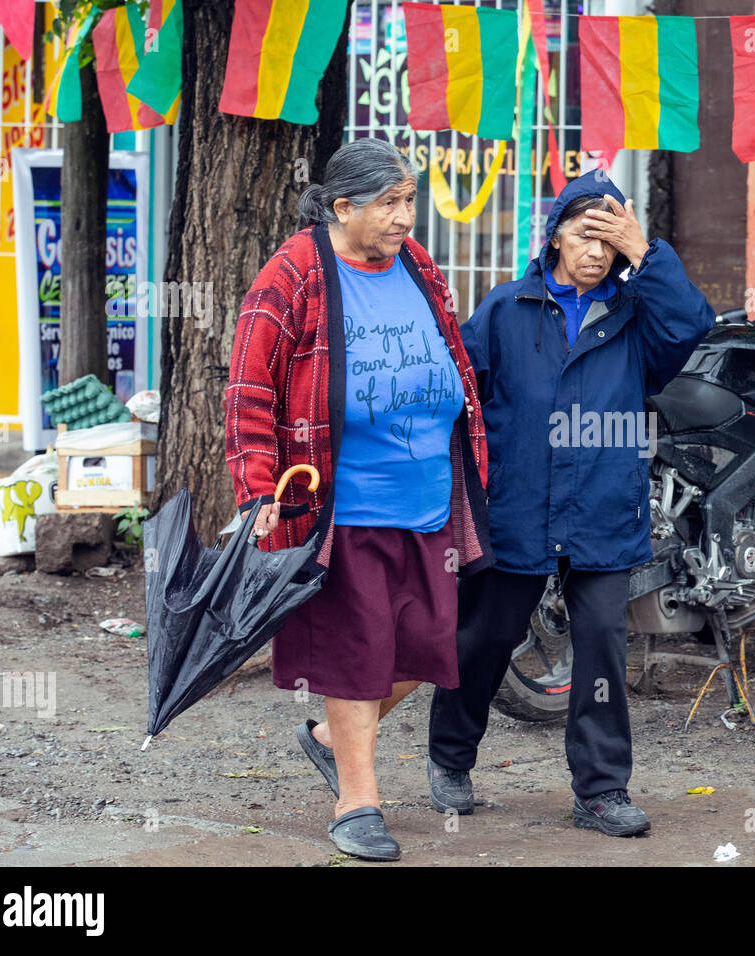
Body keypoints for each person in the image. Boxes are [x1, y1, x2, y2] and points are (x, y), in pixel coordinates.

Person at [223, 138, 491, 862]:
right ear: (343, 208)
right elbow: (250, 389)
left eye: (411, 200)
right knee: (356, 651)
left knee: (426, 650)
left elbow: (451, 354)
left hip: (430, 496)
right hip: (342, 507)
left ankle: (324, 742)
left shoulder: (417, 265)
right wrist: (257, 489)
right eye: (391, 202)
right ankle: (358, 802)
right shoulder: (294, 273)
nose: (408, 216)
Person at [427, 171, 715, 836]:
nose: (597, 251)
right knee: (486, 637)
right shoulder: (506, 310)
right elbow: (456, 395)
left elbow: (692, 324)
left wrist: (646, 250)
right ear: (554, 235)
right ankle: (449, 758)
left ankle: (601, 791)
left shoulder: (638, 321)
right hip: (520, 505)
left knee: (601, 649)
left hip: (602, 508)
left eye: (610, 241)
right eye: (586, 233)